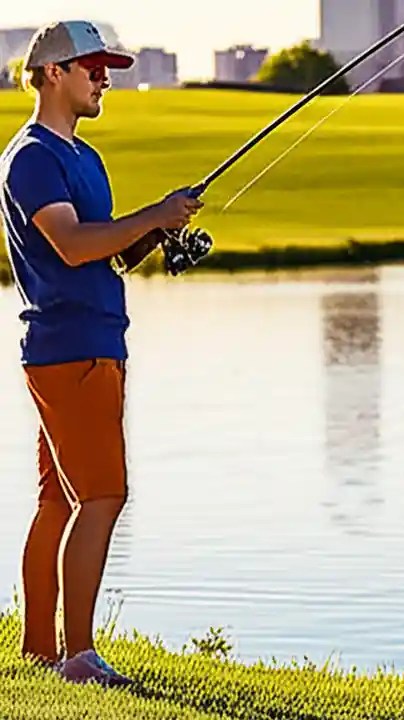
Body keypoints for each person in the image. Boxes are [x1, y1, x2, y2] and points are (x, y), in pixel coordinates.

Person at [0, 20, 203, 687]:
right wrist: (151, 212)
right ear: (54, 73)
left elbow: (108, 250)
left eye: (107, 68)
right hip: (72, 348)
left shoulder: (85, 159)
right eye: (94, 68)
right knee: (104, 495)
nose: (105, 79)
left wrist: (157, 230)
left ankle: (38, 648)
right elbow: (71, 245)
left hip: (88, 342)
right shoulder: (31, 156)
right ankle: (80, 656)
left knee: (59, 499)